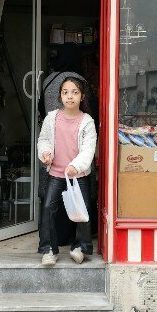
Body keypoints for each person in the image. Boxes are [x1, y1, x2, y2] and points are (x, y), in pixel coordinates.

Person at [36, 76, 97, 266]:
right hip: (55, 173)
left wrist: (75, 166)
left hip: (78, 175)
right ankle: (48, 250)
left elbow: (88, 149)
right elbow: (44, 140)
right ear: (60, 96)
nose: (70, 97)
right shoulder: (52, 118)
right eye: (65, 92)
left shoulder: (87, 121)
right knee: (48, 209)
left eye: (74, 92)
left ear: (82, 97)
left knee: (83, 211)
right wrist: (45, 153)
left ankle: (81, 248)